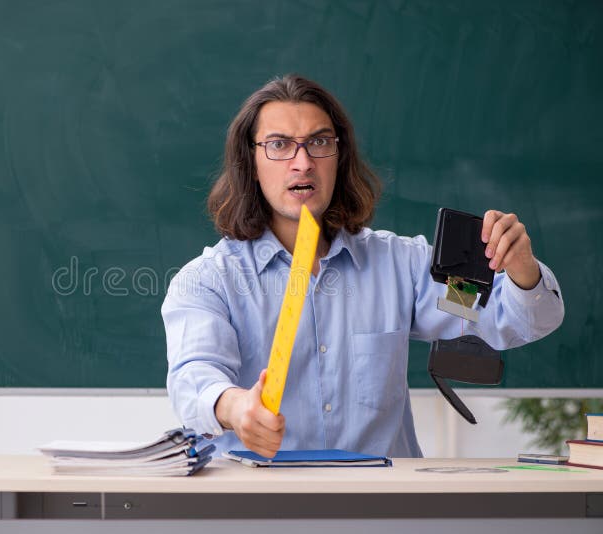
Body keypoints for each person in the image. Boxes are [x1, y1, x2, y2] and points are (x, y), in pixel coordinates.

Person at [161, 74, 564, 458]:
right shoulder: (210, 280)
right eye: (280, 145)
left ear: (340, 156)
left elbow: (503, 319)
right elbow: (193, 377)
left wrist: (521, 270)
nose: (302, 162)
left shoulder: (400, 271)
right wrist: (234, 408)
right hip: (262, 505)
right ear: (250, 161)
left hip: (384, 509)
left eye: (319, 142)